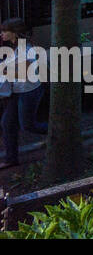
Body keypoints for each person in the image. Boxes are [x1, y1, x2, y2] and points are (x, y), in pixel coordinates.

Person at [0, 19, 46, 170]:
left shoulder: (25, 48)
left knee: (28, 125)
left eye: (5, 31)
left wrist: (4, 71)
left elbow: (26, 72)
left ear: (14, 32)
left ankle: (60, 132)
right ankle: (11, 159)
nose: (2, 34)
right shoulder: (14, 46)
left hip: (29, 91)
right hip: (17, 91)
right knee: (7, 124)